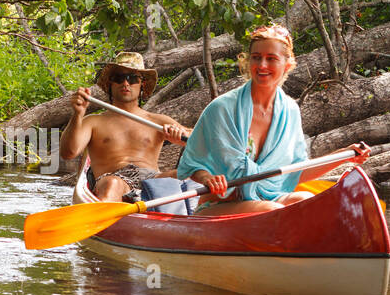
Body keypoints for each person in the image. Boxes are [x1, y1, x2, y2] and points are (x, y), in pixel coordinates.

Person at [177, 25, 368, 215]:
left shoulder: (290, 111)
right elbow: (192, 163)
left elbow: (295, 172)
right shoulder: (222, 108)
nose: (262, 65)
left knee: (307, 200)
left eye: (271, 59)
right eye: (256, 57)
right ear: (247, 60)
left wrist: (345, 155)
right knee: (271, 210)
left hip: (270, 198)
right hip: (218, 207)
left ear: (287, 64)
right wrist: (207, 178)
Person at [59, 51, 191, 202]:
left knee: (184, 175)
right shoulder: (93, 121)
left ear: (143, 84)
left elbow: (196, 136)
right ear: (110, 84)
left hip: (152, 179)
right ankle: (106, 216)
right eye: (119, 78)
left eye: (132, 78)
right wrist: (77, 114)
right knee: (112, 184)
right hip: (112, 180)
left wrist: (182, 136)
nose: (125, 83)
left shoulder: (158, 121)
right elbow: (68, 152)